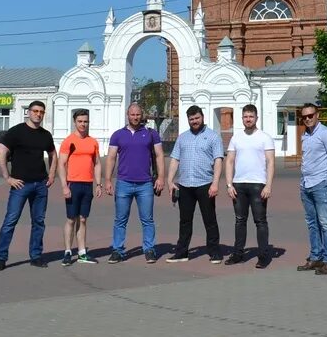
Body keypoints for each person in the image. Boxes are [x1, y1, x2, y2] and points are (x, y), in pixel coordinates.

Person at [0, 100, 57, 270]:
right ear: (29, 112)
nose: (38, 114)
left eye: (41, 112)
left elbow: (53, 153)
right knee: (10, 221)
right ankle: (1, 258)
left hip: (41, 185)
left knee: (39, 221)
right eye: (35, 111)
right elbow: (1, 152)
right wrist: (7, 177)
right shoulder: (17, 132)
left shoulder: (45, 135)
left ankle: (36, 256)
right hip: (20, 185)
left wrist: (51, 174)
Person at [105, 103, 166, 263]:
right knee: (120, 219)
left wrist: (161, 177)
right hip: (123, 183)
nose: (135, 117)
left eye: (138, 114)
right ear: (127, 114)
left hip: (145, 184)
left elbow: (159, 155)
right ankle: (117, 250)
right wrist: (107, 180)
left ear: (142, 115)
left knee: (147, 219)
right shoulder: (118, 135)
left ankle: (149, 249)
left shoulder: (151, 134)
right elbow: (111, 157)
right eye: (132, 114)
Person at [166, 105, 225, 263]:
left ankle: (214, 252)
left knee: (209, 219)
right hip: (185, 185)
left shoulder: (213, 137)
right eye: (191, 119)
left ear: (202, 117)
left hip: (205, 184)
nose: (194, 121)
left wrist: (215, 183)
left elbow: (218, 160)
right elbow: (175, 159)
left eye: (197, 118)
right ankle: (182, 252)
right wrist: (170, 180)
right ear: (188, 120)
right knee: (185, 221)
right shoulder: (182, 137)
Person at [223, 103, 275, 268]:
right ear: (242, 119)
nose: (248, 119)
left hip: (258, 185)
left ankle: (263, 255)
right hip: (239, 185)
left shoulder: (264, 137)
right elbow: (229, 161)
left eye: (251, 116)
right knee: (240, 220)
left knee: (260, 221)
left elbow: (271, 162)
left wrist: (268, 185)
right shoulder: (236, 138)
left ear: (256, 118)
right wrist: (229, 184)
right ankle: (238, 253)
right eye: (245, 117)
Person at [297, 102, 327, 275]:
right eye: (305, 117)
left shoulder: (326, 134)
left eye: (310, 115)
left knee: (325, 223)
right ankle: (316, 257)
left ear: (317, 115)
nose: (307, 119)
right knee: (312, 223)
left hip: (322, 183)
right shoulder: (305, 135)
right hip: (306, 184)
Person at [57, 108, 102, 265]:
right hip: (72, 184)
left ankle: (82, 252)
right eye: (80, 121)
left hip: (87, 184)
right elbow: (61, 164)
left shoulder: (93, 142)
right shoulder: (69, 141)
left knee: (83, 219)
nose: (83, 124)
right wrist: (64, 186)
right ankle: (68, 252)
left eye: (85, 121)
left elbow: (97, 164)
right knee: (71, 219)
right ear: (75, 122)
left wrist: (98, 184)